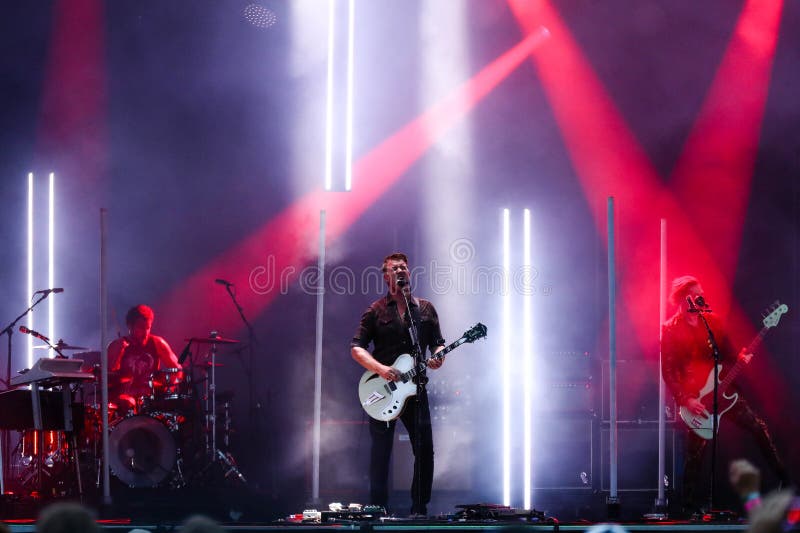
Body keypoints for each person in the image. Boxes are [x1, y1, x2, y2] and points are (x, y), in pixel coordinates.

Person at [661, 276, 788, 513]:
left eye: (702, 292)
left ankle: (784, 480)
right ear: (682, 298)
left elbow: (729, 355)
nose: (701, 297)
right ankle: (688, 508)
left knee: (758, 427)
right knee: (695, 453)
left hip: (725, 392)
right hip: (696, 398)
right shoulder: (670, 330)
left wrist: (741, 358)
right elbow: (668, 370)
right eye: (695, 293)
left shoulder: (712, 322)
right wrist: (686, 399)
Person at [351, 252, 446, 517]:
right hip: (383, 390)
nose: (402, 271)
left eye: (404, 267)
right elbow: (356, 348)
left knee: (425, 451)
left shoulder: (425, 308)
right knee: (381, 453)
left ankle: (419, 509)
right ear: (385, 276)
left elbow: (438, 341)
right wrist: (380, 369)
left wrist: (439, 354)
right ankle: (378, 509)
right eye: (395, 268)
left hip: (415, 391)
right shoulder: (375, 311)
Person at [107, 304, 180, 408]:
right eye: (141, 328)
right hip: (123, 403)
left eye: (148, 328)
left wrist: (169, 389)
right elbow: (107, 377)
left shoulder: (157, 343)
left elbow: (178, 370)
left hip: (150, 403)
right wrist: (118, 354)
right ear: (130, 326)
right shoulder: (116, 345)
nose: (145, 333)